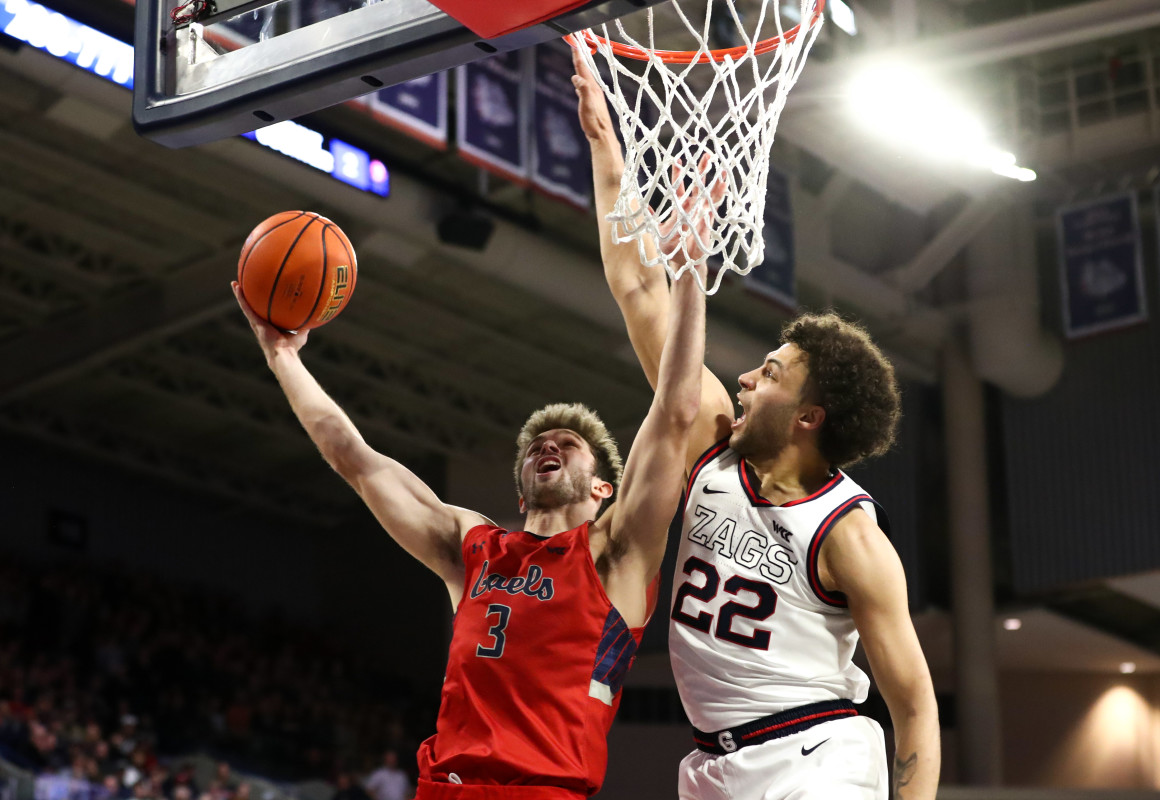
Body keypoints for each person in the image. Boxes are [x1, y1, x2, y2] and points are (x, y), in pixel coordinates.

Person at [231, 203, 711, 799]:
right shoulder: (474, 550)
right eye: (538, 445)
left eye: (567, 444)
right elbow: (354, 459)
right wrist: (283, 357)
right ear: (520, 486)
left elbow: (675, 415)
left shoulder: (616, 552)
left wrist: (690, 271)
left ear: (602, 488)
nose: (548, 447)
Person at [572, 46, 941, 800]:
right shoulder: (713, 445)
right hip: (714, 765)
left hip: (819, 758)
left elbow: (915, 709)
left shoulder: (849, 535)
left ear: (809, 417)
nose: (743, 377)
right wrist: (607, 157)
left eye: (769, 373)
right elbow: (637, 289)